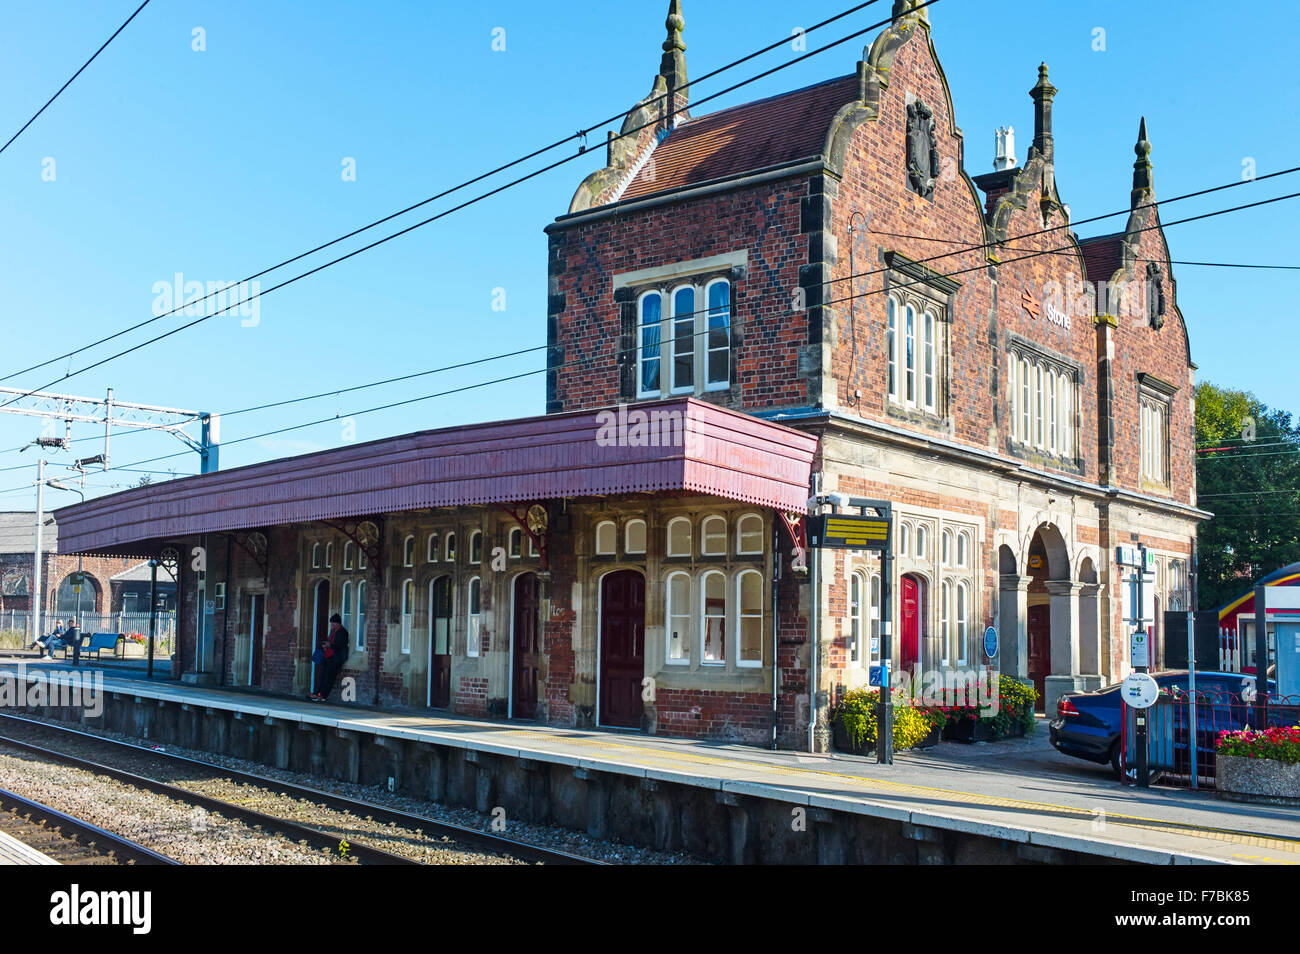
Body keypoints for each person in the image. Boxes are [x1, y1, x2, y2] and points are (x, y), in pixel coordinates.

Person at [309, 613, 349, 702]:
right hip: (329, 656)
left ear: (338, 623)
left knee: (329, 678)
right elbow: (330, 641)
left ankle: (323, 696)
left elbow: (341, 645)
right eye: (331, 623)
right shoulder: (332, 631)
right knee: (322, 676)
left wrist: (330, 645)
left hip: (336, 659)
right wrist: (325, 645)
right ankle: (316, 693)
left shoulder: (343, 632)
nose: (332, 625)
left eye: (334, 623)